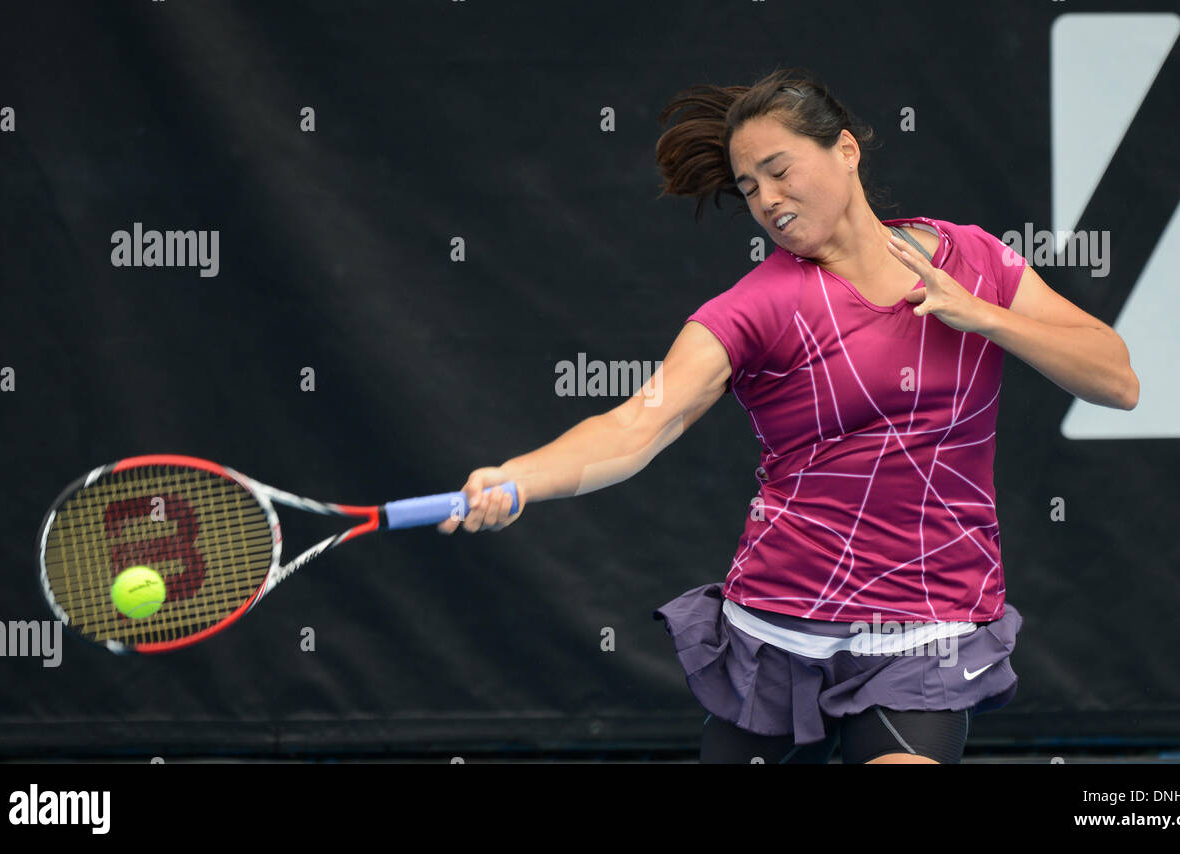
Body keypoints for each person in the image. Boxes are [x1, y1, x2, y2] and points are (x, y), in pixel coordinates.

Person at [438, 67, 1138, 764]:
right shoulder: (758, 305)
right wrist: (519, 477)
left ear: (845, 150)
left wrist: (981, 315)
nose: (768, 201)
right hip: (779, 630)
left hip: (925, 627)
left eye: (779, 171)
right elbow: (636, 424)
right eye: (749, 189)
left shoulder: (976, 261)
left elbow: (1117, 379)